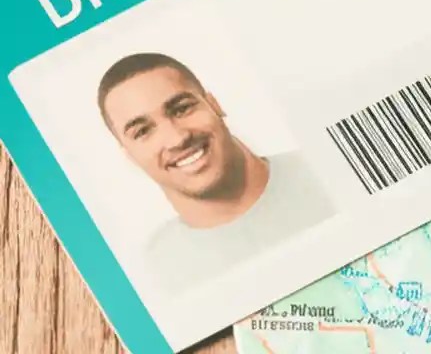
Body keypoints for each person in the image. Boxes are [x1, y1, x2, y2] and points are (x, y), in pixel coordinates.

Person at [97, 52, 334, 291]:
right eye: (142, 131)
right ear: (129, 155)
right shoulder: (153, 275)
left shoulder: (328, 170)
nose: (177, 138)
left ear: (214, 105)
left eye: (182, 109)